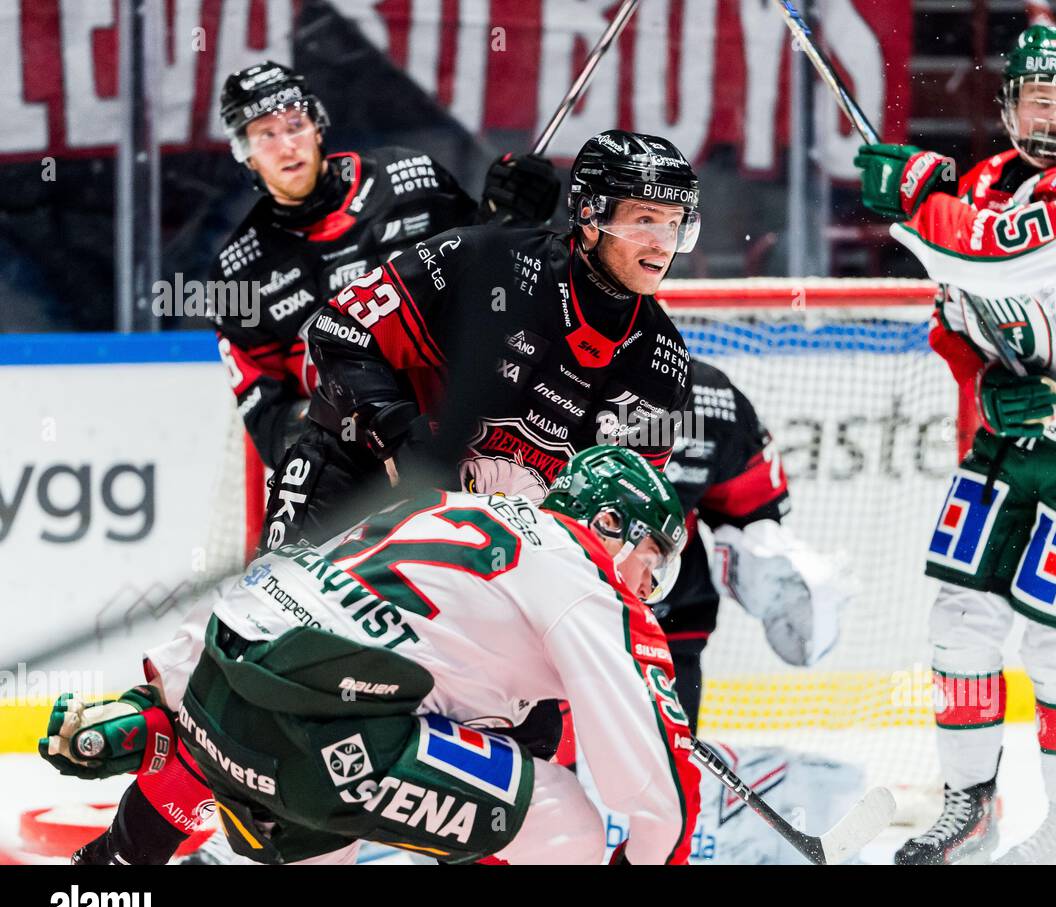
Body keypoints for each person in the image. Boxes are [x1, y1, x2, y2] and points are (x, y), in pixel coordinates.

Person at [40, 447, 700, 865]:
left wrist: (156, 700)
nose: (650, 584)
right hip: (315, 739)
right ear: (610, 524)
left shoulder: (447, 507)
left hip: (212, 682)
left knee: (363, 812)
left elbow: (283, 589)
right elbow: (654, 779)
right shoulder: (587, 580)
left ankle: (135, 801)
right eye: (654, 556)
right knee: (568, 828)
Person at [856, 25, 1056, 864]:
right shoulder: (989, 180)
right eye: (1040, 98)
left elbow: (990, 258)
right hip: (1013, 438)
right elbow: (953, 300)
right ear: (1007, 105)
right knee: (959, 623)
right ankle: (972, 807)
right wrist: (981, 380)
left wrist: (914, 197)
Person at [260, 128, 699, 553]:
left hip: (475, 547)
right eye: (645, 220)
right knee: (266, 623)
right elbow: (340, 329)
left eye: (674, 224)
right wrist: (398, 435)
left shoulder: (663, 366)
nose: (663, 245)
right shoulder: (487, 262)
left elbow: (623, 502)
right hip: (354, 487)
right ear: (589, 217)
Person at [209, 61, 560, 468]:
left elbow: (494, 284)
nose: (286, 145)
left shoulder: (411, 182)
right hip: (356, 466)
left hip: (475, 424)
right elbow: (270, 424)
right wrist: (363, 430)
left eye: (294, 124)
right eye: (265, 135)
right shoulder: (239, 274)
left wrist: (514, 221)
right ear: (245, 154)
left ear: (318, 126)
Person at [656, 359, 850, 729]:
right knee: (548, 773)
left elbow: (753, 512)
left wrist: (772, 570)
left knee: (669, 773)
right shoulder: (548, 375)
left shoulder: (710, 398)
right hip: (554, 614)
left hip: (671, 619)